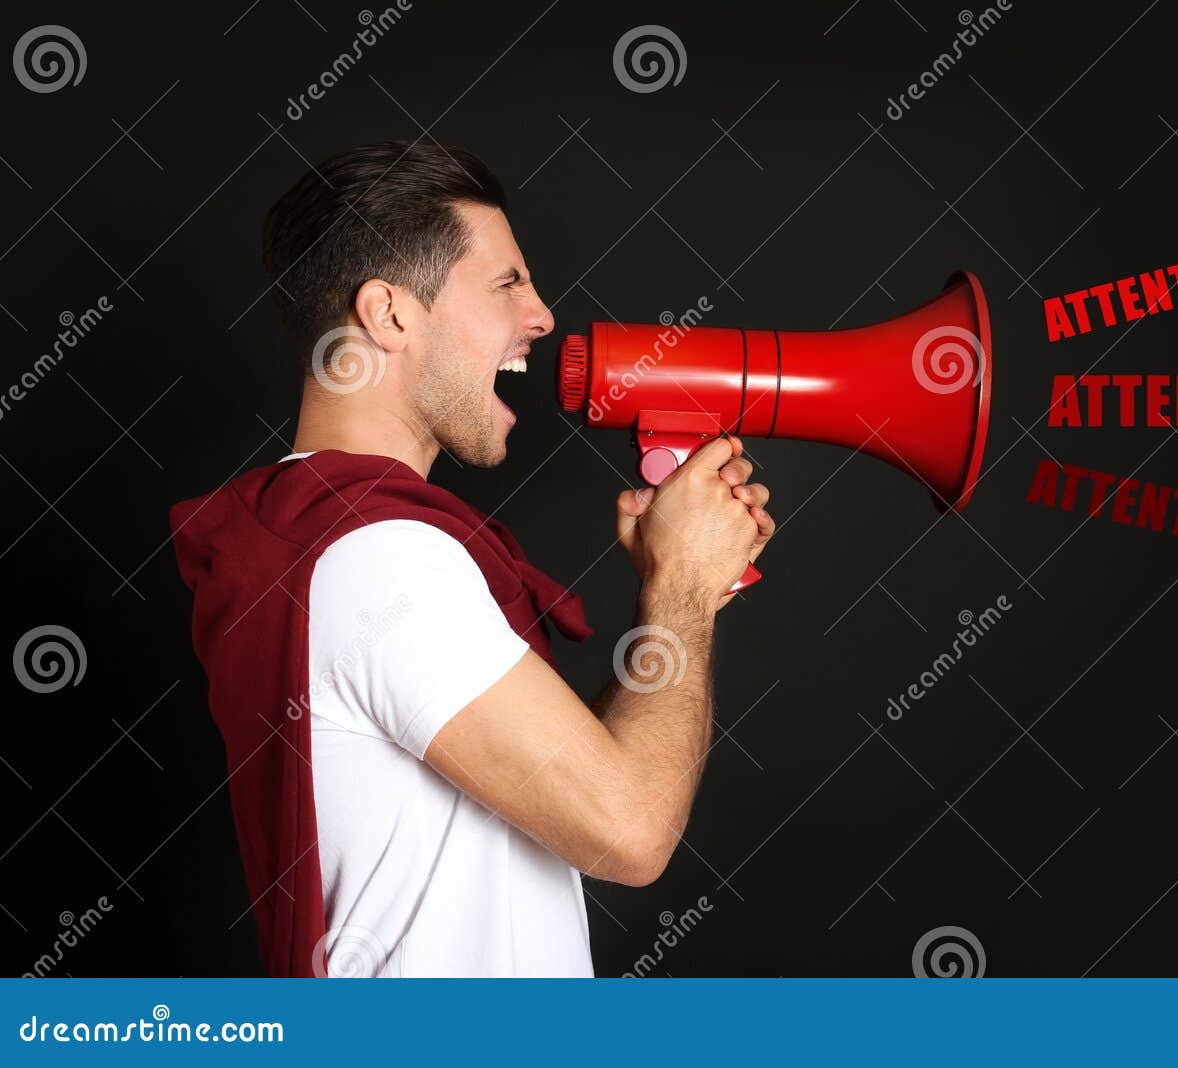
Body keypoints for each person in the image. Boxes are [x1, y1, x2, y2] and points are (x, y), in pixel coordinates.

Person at [170, 140, 773, 977]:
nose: (542, 316)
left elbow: (575, 780)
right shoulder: (382, 560)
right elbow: (630, 830)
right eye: (506, 284)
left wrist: (680, 592)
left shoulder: (325, 538)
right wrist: (682, 590)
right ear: (389, 314)